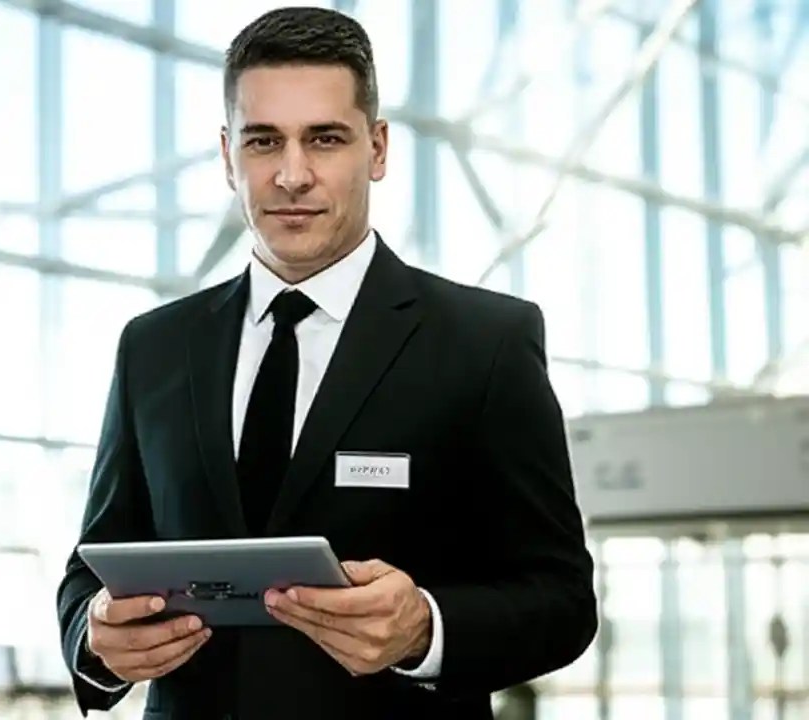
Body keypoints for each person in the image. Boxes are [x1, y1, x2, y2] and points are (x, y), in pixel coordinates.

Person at [55, 7, 597, 719]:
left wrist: (425, 628)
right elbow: (89, 567)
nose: (291, 174)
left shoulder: (484, 343)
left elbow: (560, 599)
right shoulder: (154, 348)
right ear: (227, 156)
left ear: (376, 149)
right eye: (262, 141)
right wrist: (92, 639)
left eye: (325, 139)